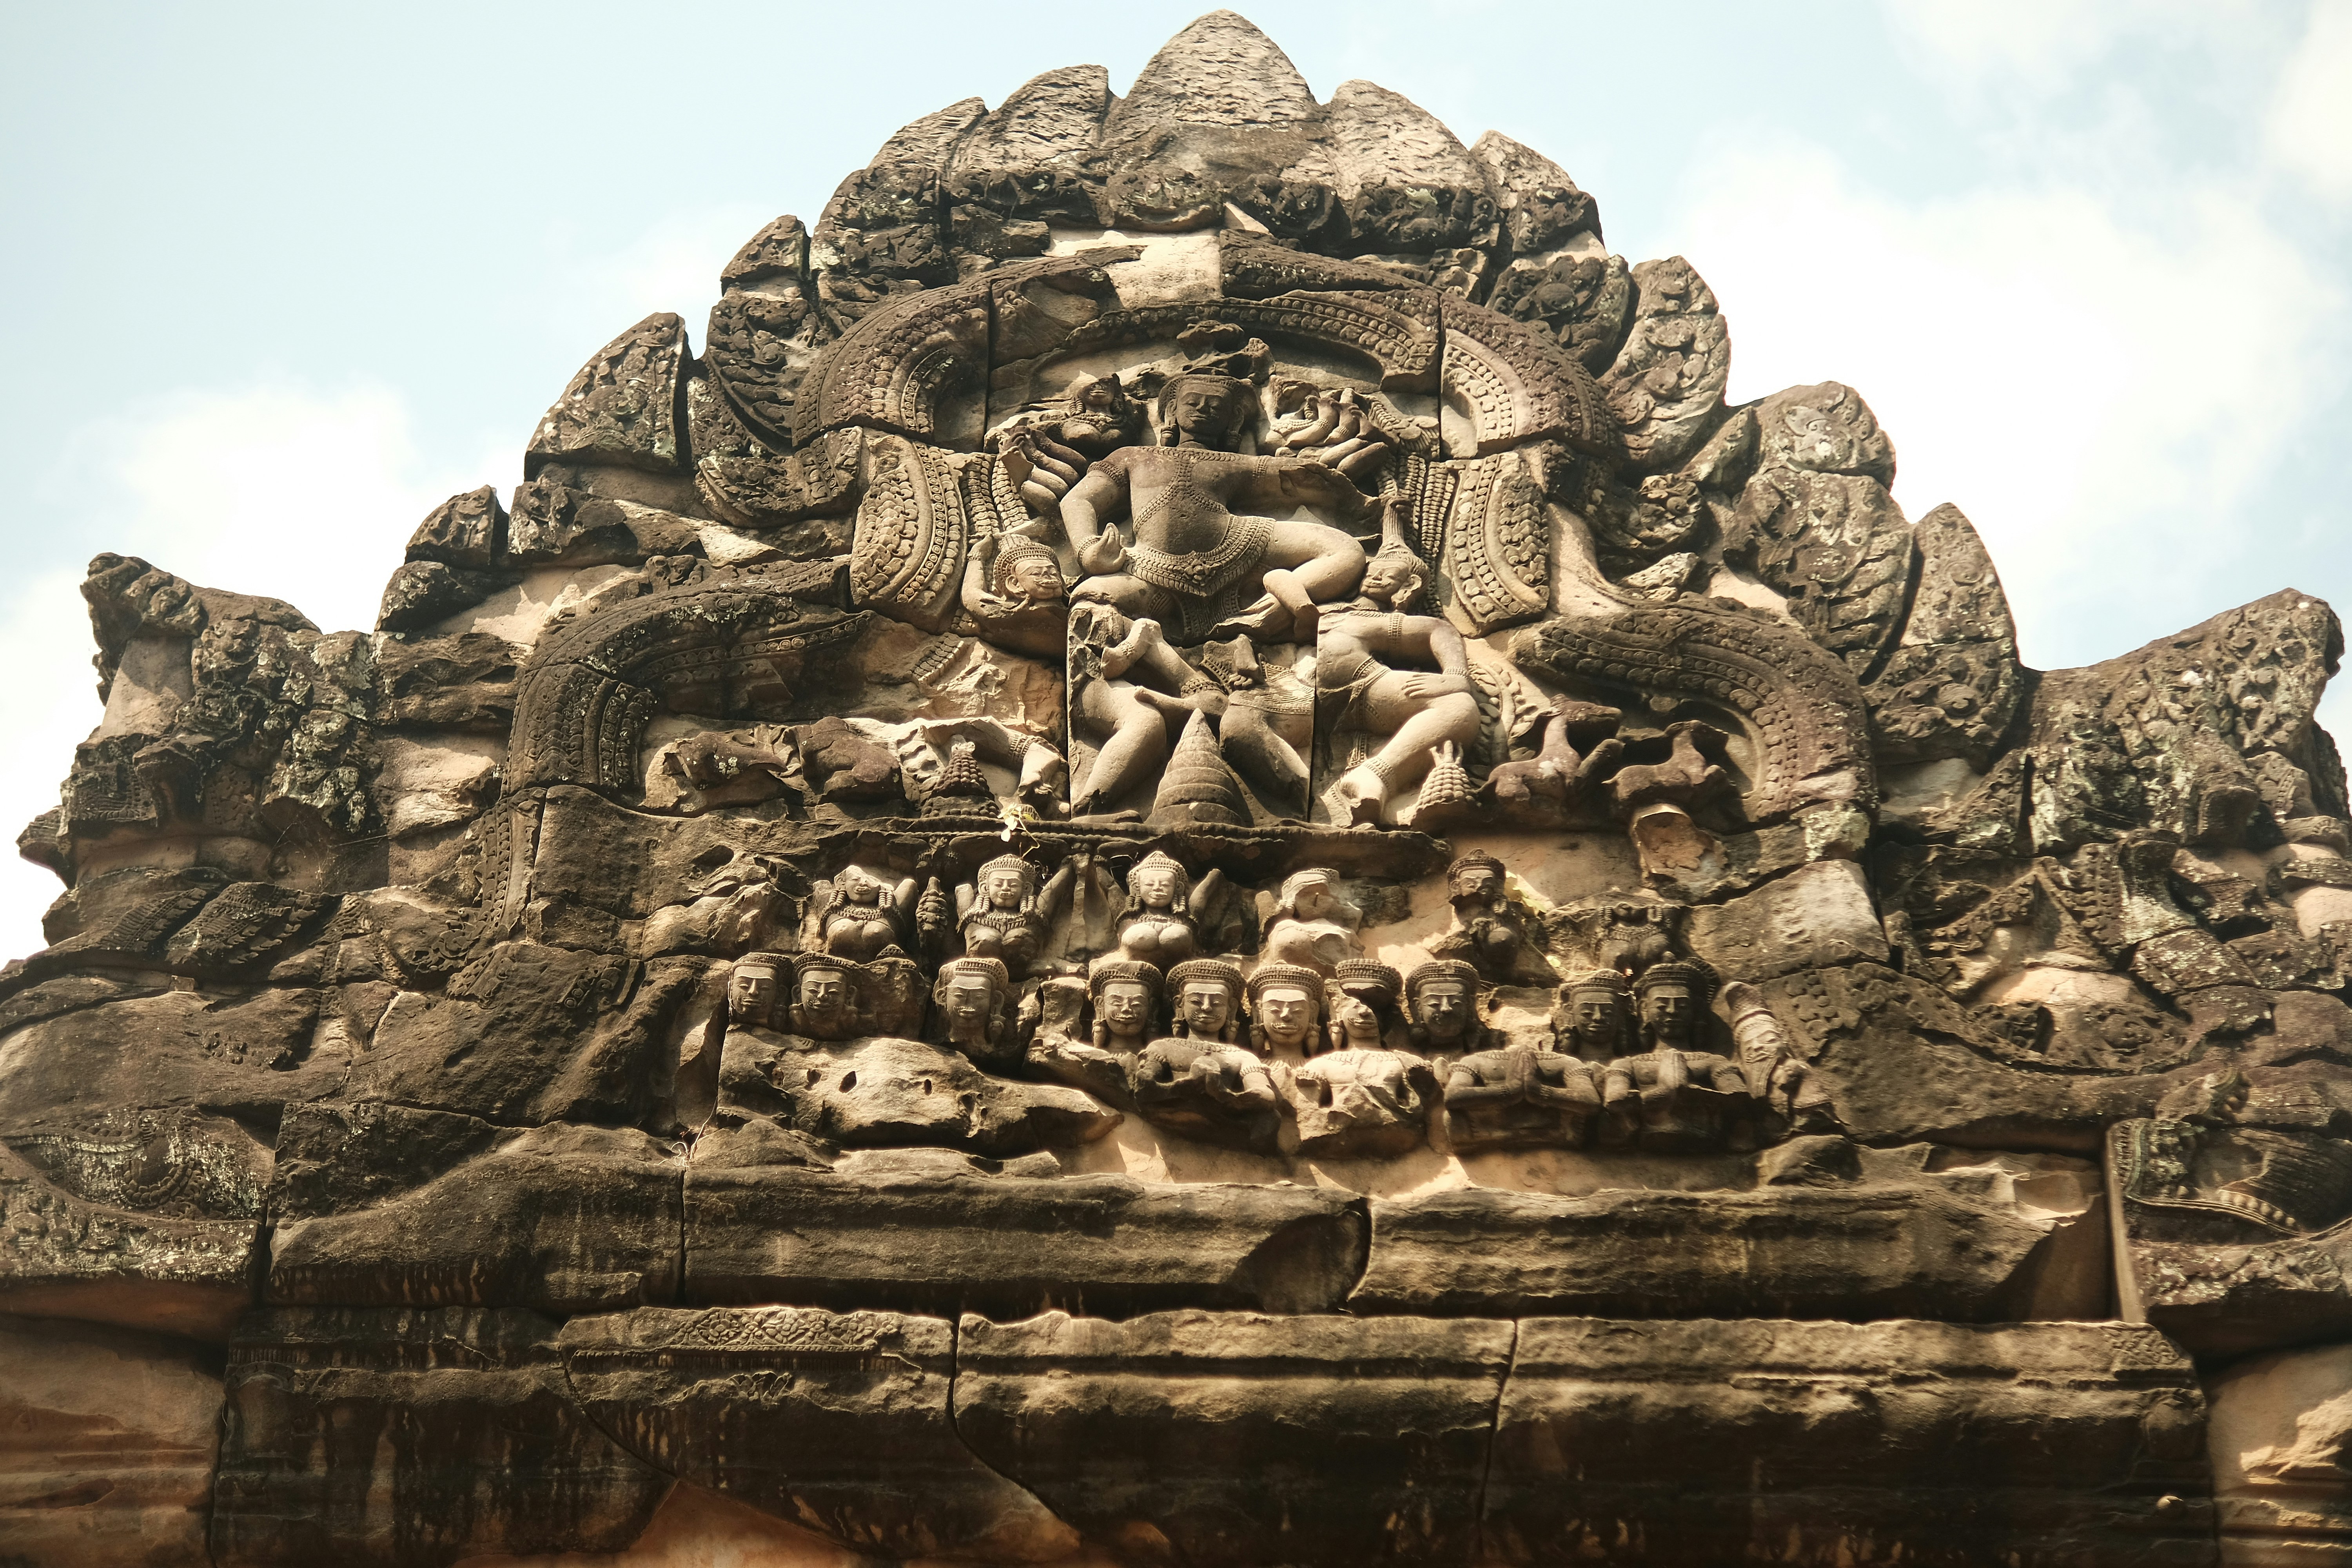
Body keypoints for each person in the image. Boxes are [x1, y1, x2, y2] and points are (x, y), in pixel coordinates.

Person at [1058, 370, 1372, 645]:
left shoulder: (1240, 464)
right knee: (1091, 604)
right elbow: (1078, 499)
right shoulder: (1132, 456)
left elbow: (1303, 480)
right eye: (1192, 402)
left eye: (1216, 406)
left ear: (1233, 419)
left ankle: (1275, 606)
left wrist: (1359, 503)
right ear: (1171, 411)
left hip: (1239, 547)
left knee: (1344, 549)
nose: (1203, 409)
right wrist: (1088, 549)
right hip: (1150, 567)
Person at [1315, 510, 1484, 823]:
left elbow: (1439, 630)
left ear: (1408, 587)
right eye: (1372, 571)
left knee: (1459, 707)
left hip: (1366, 687)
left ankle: (1375, 775)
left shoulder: (1377, 620)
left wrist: (1456, 678)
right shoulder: (1326, 605)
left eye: (1388, 575)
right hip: (1293, 689)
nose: (1375, 577)